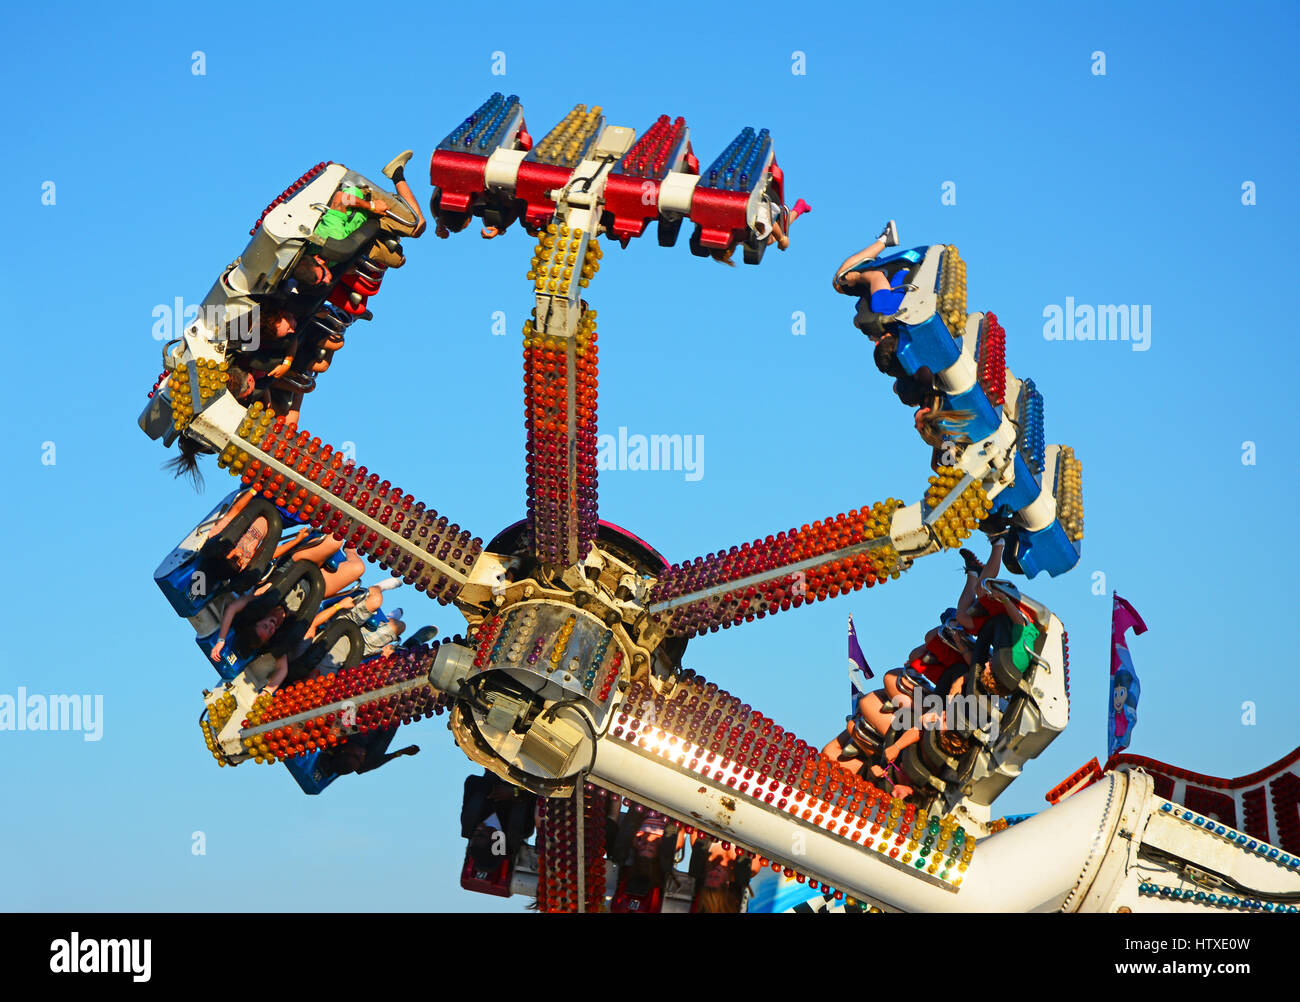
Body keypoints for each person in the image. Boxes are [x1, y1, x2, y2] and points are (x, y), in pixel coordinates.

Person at [689, 835, 761, 913]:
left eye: (709, 876)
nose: (713, 872)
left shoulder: (702, 855)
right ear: (727, 885)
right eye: (716, 877)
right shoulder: (752, 868)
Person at [831, 220, 900, 297]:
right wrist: (857, 278)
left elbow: (876, 276)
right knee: (838, 282)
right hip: (887, 280)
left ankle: (884, 241)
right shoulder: (880, 305)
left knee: (838, 282)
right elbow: (876, 276)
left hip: (885, 281)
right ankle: (884, 241)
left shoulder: (880, 305)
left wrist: (857, 278)